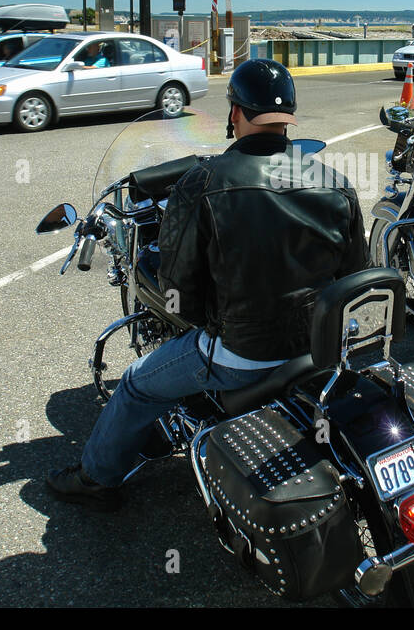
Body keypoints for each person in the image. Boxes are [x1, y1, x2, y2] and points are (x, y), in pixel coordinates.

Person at [46, 59, 369, 510]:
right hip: (317, 347)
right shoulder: (335, 183)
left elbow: (179, 291)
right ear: (288, 117)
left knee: (137, 385)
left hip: (242, 355)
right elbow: (355, 275)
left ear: (236, 113)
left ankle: (97, 478)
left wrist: (206, 320)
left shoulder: (203, 182)